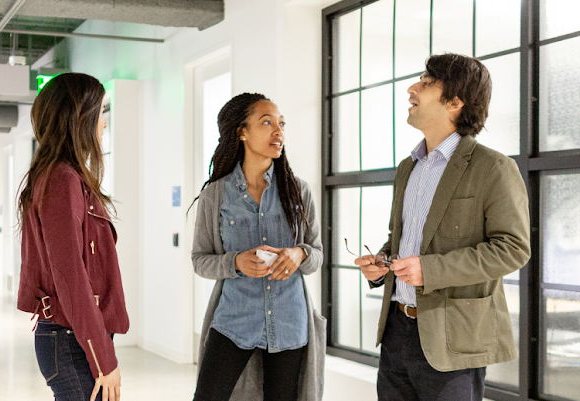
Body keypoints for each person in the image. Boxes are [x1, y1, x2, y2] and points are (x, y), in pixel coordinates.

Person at [354, 54, 531, 400]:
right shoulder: (409, 167)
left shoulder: (493, 168)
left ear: (455, 102)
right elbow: (403, 240)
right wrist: (382, 264)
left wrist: (429, 270)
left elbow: (513, 248)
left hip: (453, 340)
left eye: (425, 82)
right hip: (395, 332)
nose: (411, 89)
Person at [191, 93, 326, 401]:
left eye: (281, 124)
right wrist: (235, 262)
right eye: (266, 123)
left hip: (289, 323)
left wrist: (298, 253)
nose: (278, 132)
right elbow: (200, 260)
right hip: (233, 322)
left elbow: (316, 253)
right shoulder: (216, 195)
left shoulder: (298, 191)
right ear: (242, 131)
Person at [17, 73, 129, 401]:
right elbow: (71, 279)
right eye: (101, 112)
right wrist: (103, 360)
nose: (104, 124)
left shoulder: (66, 178)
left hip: (71, 337)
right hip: (69, 341)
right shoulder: (62, 181)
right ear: (79, 118)